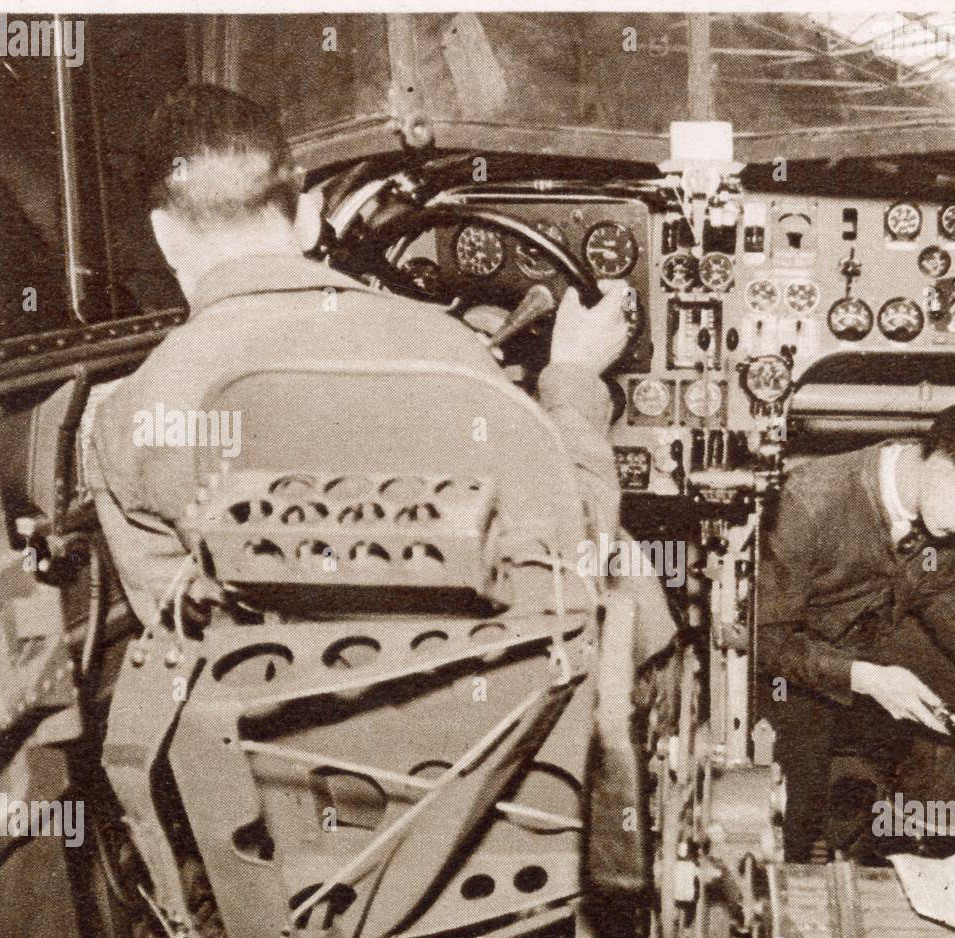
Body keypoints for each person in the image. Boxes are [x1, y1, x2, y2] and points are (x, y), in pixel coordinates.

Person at [82, 83, 638, 629]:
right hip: (489, 699)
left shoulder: (130, 419)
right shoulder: (442, 350)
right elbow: (573, 557)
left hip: (279, 703)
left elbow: (180, 624)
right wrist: (573, 377)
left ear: (164, 236)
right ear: (307, 216)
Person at [755, 394, 955, 862]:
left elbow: (937, 588)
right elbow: (765, 638)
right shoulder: (808, 502)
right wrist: (866, 678)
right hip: (795, 663)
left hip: (876, 632)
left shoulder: (943, 516)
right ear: (943, 465)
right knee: (794, 807)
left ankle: (907, 843)